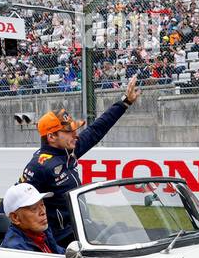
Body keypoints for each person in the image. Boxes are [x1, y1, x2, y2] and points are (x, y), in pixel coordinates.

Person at [12, 77, 141, 248]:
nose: (75, 134)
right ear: (51, 137)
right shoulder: (39, 166)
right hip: (62, 241)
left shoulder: (68, 151)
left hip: (81, 227)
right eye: (69, 131)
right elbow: (15, 199)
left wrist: (124, 102)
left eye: (74, 129)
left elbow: (97, 130)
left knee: (124, 231)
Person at [0, 183, 61, 253]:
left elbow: (61, 254)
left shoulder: (42, 233)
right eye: (34, 209)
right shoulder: (16, 251)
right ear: (15, 218)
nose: (43, 212)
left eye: (42, 205)